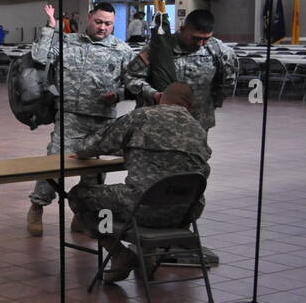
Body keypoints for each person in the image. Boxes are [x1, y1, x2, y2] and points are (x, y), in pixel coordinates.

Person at [70, 83, 212, 282]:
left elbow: (98, 144)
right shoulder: (198, 130)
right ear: (189, 105)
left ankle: (119, 253)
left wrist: (82, 150)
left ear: (160, 97)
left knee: (80, 195)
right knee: (154, 192)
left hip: (141, 210)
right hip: (182, 215)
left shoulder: (142, 117)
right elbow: (202, 169)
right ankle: (148, 257)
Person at [26, 2, 134, 237]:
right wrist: (50, 27)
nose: (103, 27)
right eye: (99, 22)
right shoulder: (68, 42)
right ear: (89, 18)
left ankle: (83, 214)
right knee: (54, 164)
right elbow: (40, 56)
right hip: (70, 116)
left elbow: (134, 82)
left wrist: (119, 95)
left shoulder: (122, 50)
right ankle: (37, 206)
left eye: (108, 24)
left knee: (94, 173)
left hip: (102, 121)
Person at [126, 8, 237, 135]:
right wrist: (153, 94)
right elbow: (132, 77)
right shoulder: (160, 47)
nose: (201, 43)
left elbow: (227, 81)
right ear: (183, 29)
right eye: (195, 38)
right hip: (159, 120)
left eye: (206, 38)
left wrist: (211, 104)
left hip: (197, 121)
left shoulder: (218, 50)